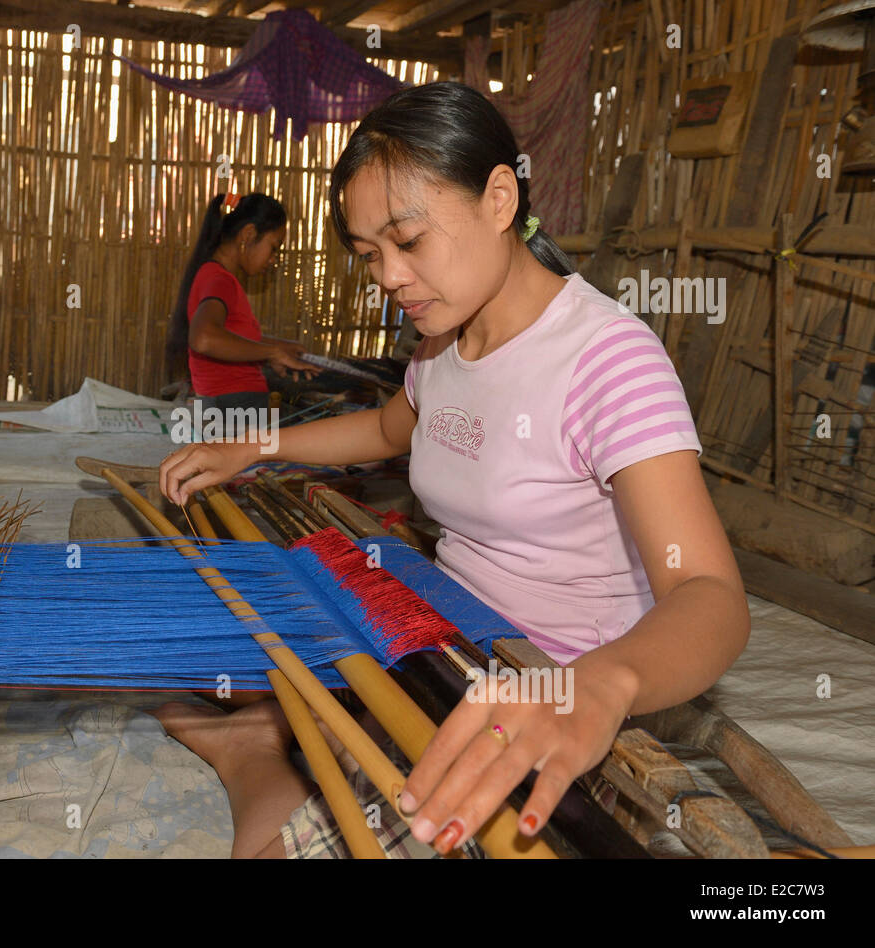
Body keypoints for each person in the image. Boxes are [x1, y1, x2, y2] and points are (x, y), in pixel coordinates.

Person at [154, 81, 750, 858]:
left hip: (542, 697)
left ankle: (255, 749)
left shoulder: (607, 362)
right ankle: (258, 750)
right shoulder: (441, 348)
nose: (389, 277)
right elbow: (384, 427)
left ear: (500, 198)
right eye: (371, 256)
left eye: (409, 241)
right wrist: (254, 445)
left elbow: (709, 594)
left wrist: (602, 685)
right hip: (440, 660)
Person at [166, 192, 315, 418]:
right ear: (248, 234)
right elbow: (203, 339)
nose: (273, 259)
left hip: (228, 406)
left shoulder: (213, 275)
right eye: (274, 247)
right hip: (235, 408)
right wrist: (272, 353)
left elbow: (229, 337)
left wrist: (279, 347)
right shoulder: (220, 280)